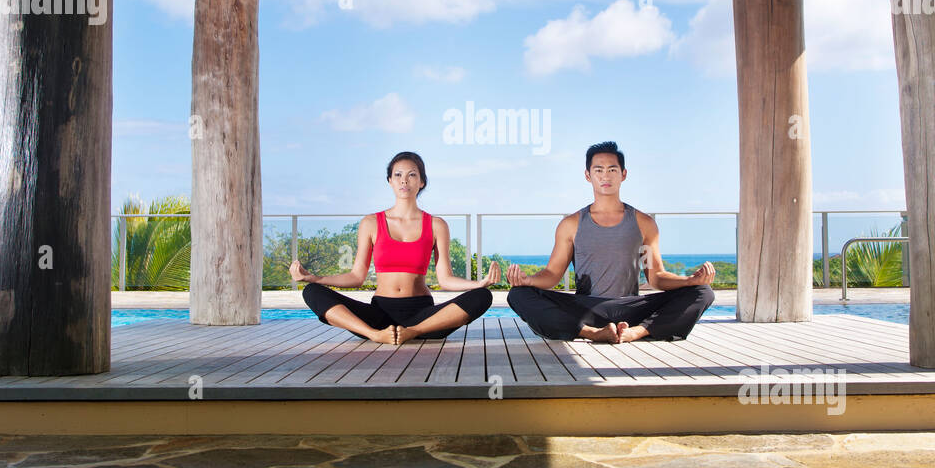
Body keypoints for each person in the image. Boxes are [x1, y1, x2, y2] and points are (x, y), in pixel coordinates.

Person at [505, 140, 715, 343]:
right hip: (586, 309)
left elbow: (656, 277)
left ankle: (636, 332)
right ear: (588, 175)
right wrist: (528, 280)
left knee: (702, 292)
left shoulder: (644, 223)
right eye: (598, 170)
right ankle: (592, 333)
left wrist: (690, 281)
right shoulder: (571, 224)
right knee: (518, 295)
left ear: (623, 174)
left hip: (631, 307)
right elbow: (552, 274)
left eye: (612, 170)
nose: (605, 176)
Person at [291, 151, 500, 345]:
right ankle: (375, 335)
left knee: (482, 296)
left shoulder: (436, 225)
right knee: (312, 292)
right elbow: (356, 276)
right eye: (398, 174)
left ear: (422, 181)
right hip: (379, 314)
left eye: (412, 175)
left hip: (422, 316)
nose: (404, 180)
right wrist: (314, 278)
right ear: (390, 181)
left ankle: (413, 332)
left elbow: (445, 279)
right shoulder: (371, 223)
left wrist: (479, 283)